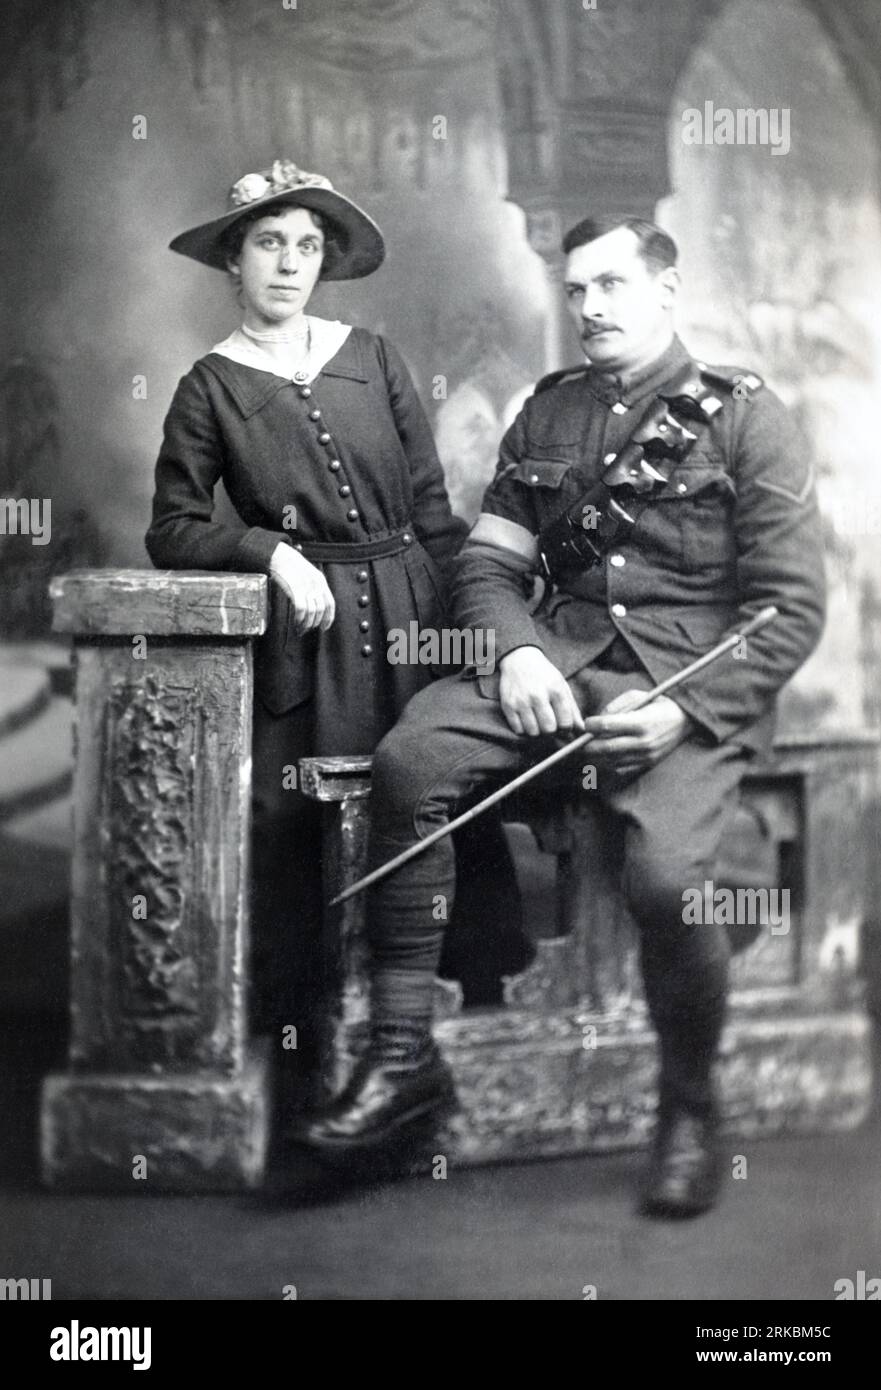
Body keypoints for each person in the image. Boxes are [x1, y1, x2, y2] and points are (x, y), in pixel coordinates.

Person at [295, 215, 827, 1218]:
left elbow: (789, 606)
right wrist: (519, 649)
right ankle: (403, 1061)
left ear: (665, 291)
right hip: (558, 663)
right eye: (576, 290)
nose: (589, 308)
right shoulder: (544, 415)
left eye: (613, 285)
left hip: (679, 688)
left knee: (669, 880)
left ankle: (686, 1106)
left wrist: (685, 711)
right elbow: (489, 565)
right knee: (412, 757)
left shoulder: (747, 417)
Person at [145, 158, 523, 1103]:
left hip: (414, 622)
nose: (288, 264)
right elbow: (172, 527)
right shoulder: (210, 386)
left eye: (307, 246)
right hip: (308, 641)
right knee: (294, 828)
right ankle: (309, 1055)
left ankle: (473, 1031)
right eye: (268, 243)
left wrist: (482, 626)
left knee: (446, 798)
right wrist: (273, 553)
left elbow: (434, 514)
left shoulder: (375, 358)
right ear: (234, 259)